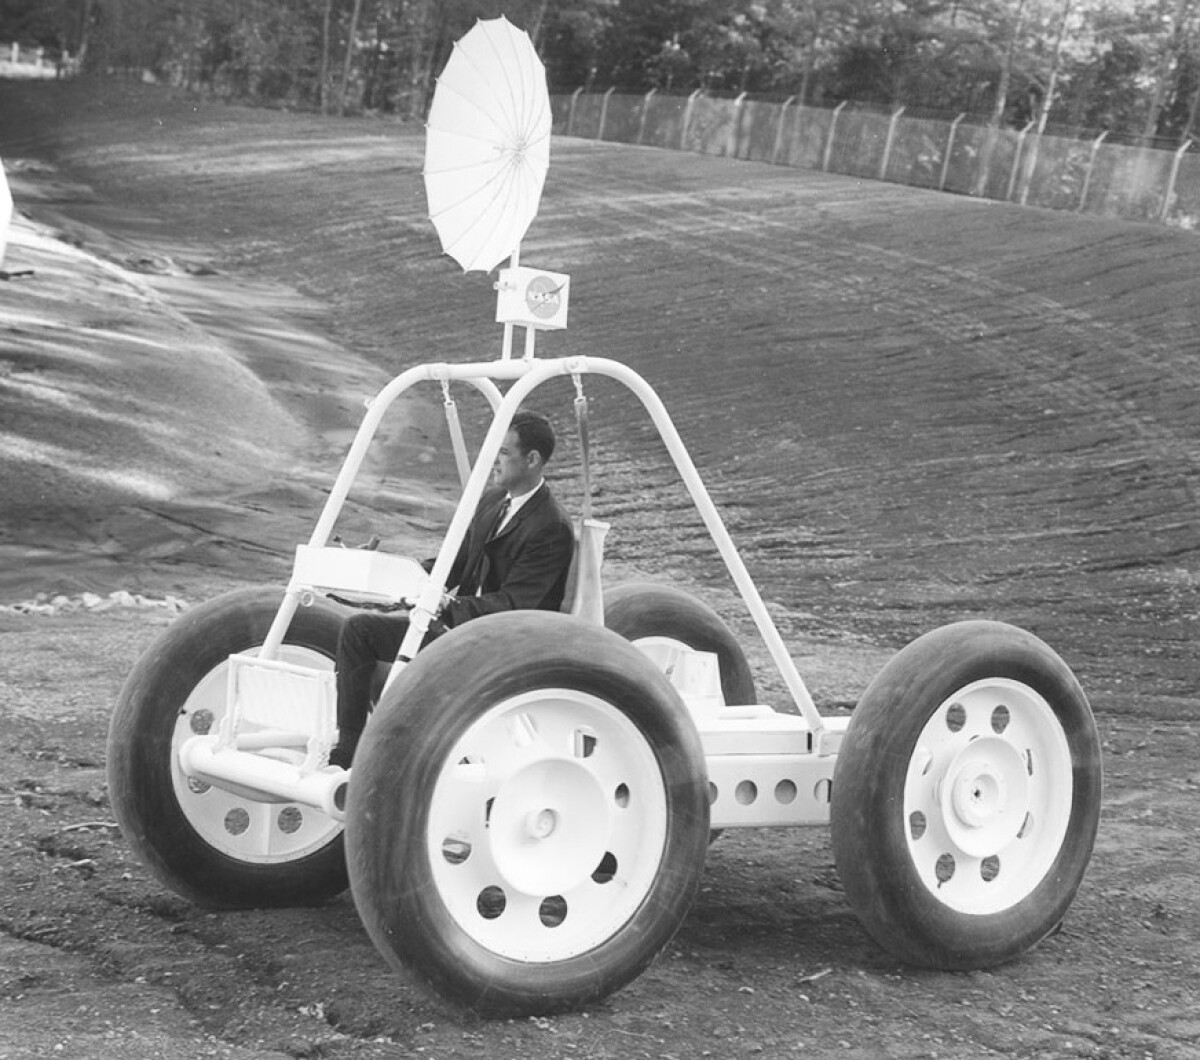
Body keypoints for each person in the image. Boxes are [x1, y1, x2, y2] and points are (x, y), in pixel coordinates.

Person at [328, 410, 574, 767]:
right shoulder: (492, 501)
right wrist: (387, 568)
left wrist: (449, 607)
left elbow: (516, 605)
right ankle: (347, 753)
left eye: (504, 452)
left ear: (532, 459)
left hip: (506, 644)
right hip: (461, 630)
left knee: (419, 652)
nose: (494, 460)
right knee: (359, 631)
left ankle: (410, 760)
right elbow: (452, 564)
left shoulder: (551, 526)